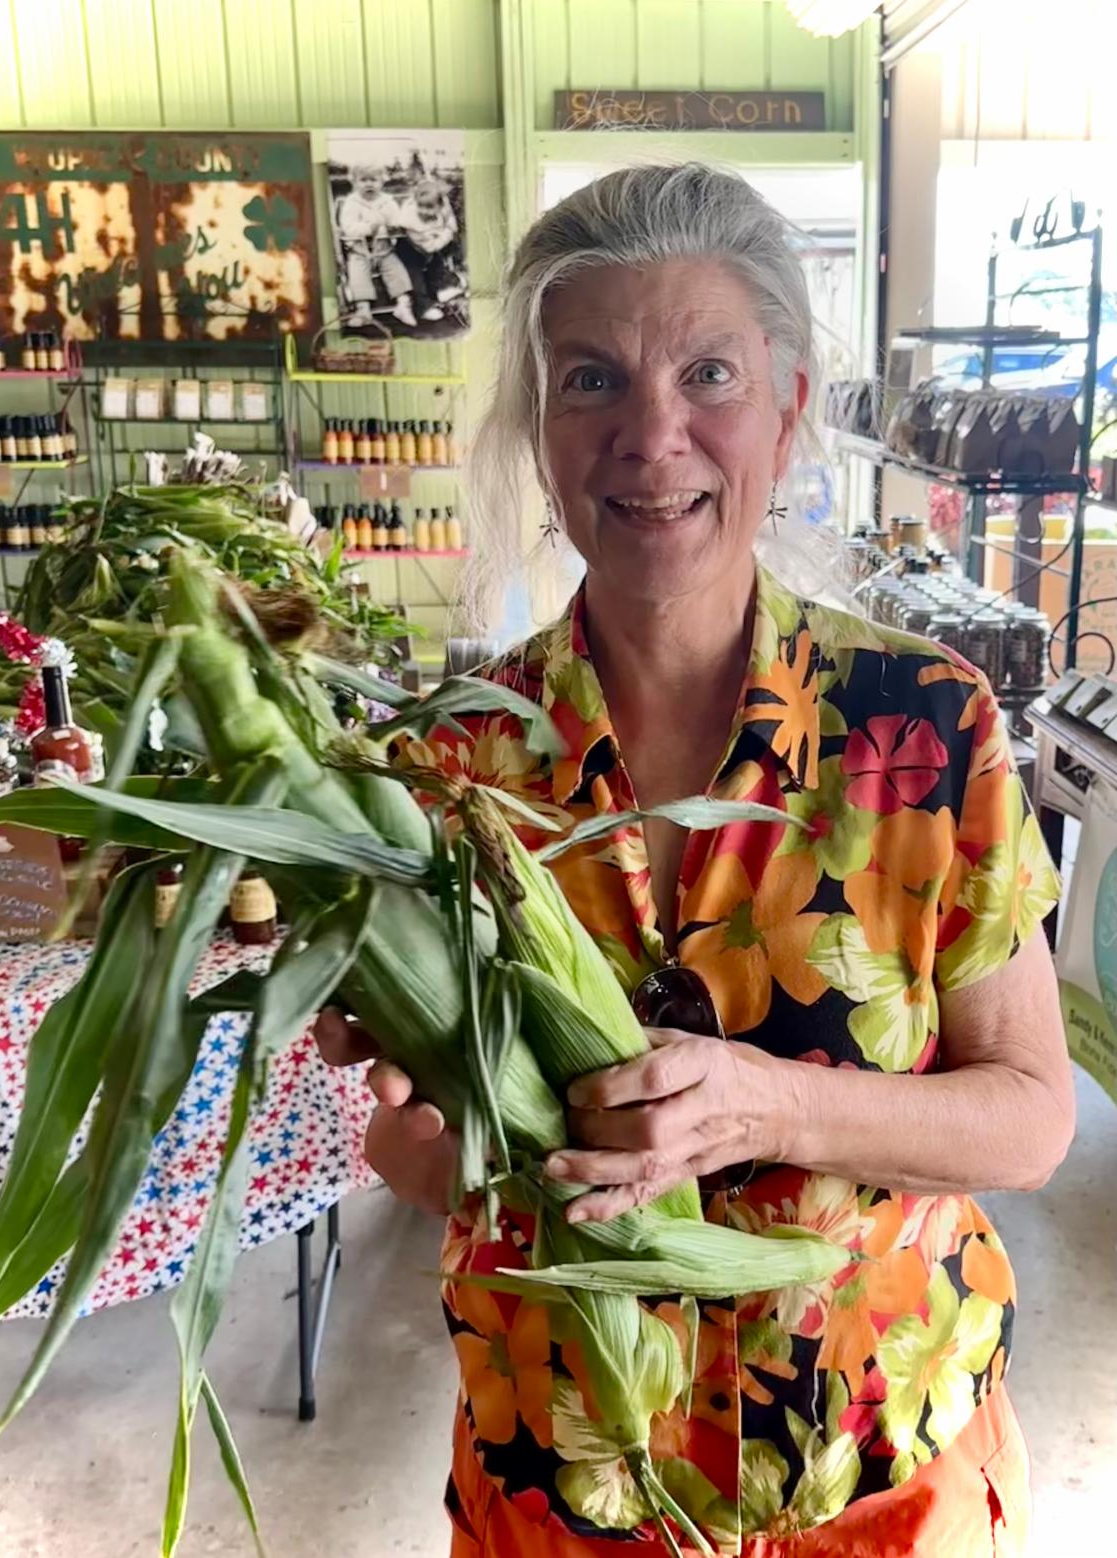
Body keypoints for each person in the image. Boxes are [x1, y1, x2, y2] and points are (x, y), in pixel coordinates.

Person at [317, 163, 1074, 1557]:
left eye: (708, 372)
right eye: (591, 380)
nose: (651, 437)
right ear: (538, 429)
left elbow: (1032, 1117)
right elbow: (416, 1156)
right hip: (566, 1481)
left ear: (787, 411)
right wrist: (433, 1137)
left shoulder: (923, 724)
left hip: (875, 1473)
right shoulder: (455, 766)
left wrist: (765, 1106)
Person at [335, 163, 417, 330]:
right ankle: (363, 310)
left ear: (382, 182)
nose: (369, 184)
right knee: (357, 273)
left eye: (374, 180)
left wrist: (392, 225)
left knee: (396, 271)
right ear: (355, 183)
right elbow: (348, 227)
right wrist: (369, 227)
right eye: (363, 180)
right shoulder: (352, 203)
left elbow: (397, 221)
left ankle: (403, 305)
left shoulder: (388, 202)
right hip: (359, 250)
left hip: (384, 249)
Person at [395, 176, 462, 322]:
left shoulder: (441, 213)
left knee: (436, 263)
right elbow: (426, 245)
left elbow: (449, 227)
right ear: (415, 204)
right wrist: (441, 237)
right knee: (415, 275)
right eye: (421, 206)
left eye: (430, 207)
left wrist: (442, 235)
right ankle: (424, 307)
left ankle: (442, 288)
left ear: (439, 206)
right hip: (410, 249)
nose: (424, 211)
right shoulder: (411, 219)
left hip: (429, 247)